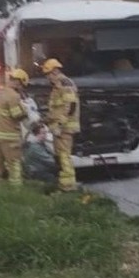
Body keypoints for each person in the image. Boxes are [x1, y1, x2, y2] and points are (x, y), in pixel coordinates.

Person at [0, 68, 30, 185]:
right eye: (22, 85)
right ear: (19, 82)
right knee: (14, 164)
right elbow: (17, 115)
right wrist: (25, 110)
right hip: (8, 137)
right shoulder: (14, 96)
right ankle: (16, 190)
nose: (22, 88)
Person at [42, 57, 80, 193]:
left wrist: (59, 124)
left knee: (64, 157)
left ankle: (68, 186)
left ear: (55, 71)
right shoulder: (57, 86)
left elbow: (71, 107)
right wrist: (46, 120)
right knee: (60, 157)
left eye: (48, 75)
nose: (48, 78)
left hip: (64, 128)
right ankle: (64, 184)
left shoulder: (65, 84)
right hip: (59, 128)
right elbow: (56, 109)